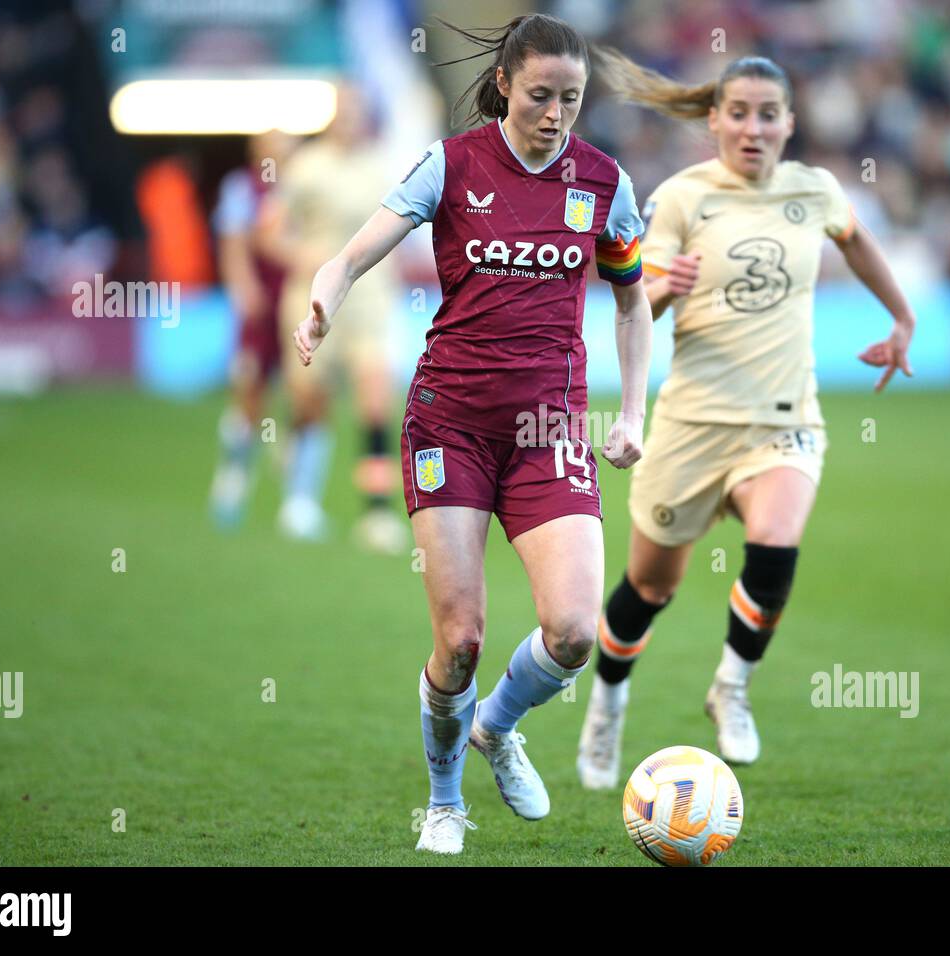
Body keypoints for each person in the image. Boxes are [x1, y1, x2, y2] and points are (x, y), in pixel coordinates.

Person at [291, 14, 652, 854]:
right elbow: (348, 258)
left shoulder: (604, 183)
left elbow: (632, 303)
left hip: (549, 427)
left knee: (573, 631)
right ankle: (445, 801)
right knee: (460, 639)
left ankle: (496, 724)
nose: (556, 113)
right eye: (540, 95)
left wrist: (631, 411)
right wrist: (325, 301)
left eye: (571, 97)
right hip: (449, 421)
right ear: (503, 85)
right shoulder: (452, 166)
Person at [576, 51, 917, 789]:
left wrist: (902, 316)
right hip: (693, 426)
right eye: (739, 113)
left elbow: (856, 241)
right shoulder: (681, 197)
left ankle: (730, 687)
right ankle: (607, 700)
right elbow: (637, 302)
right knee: (649, 589)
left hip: (784, 419)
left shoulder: (814, 190)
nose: (753, 128)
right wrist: (669, 280)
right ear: (715, 120)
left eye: (769, 115)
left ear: (790, 124)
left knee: (774, 547)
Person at [262, 83, 409, 552]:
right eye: (343, 111)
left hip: (370, 300)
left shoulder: (379, 165)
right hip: (316, 299)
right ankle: (300, 501)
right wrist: (303, 255)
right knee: (311, 402)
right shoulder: (306, 167)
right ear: (331, 116)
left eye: (357, 110)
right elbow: (267, 232)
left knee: (375, 402)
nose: (350, 119)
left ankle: (378, 512)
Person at [209, 129, 295, 528]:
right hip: (261, 303)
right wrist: (243, 286)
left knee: (300, 391)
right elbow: (233, 243)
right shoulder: (241, 188)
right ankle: (235, 473)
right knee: (249, 388)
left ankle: (295, 493)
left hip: (295, 301)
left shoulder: (301, 185)